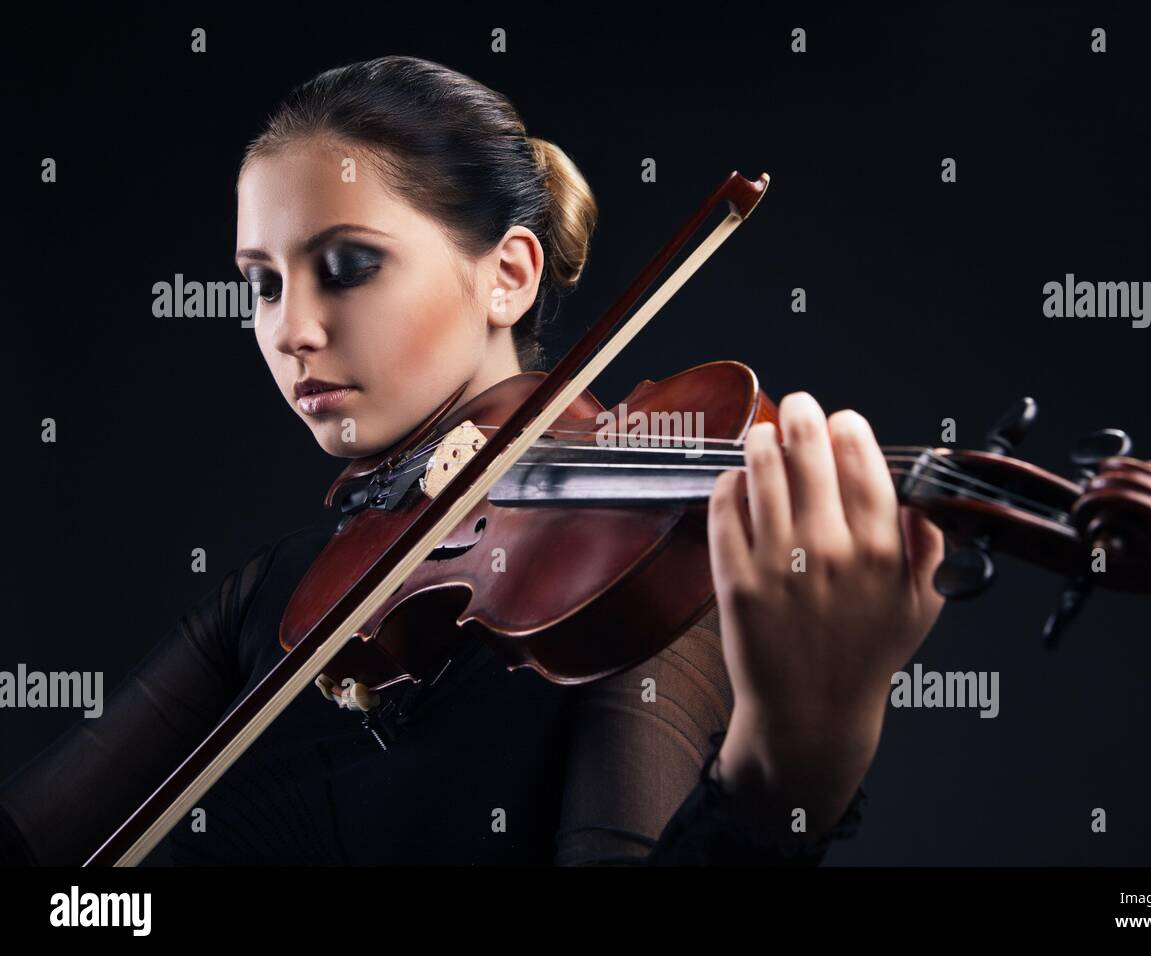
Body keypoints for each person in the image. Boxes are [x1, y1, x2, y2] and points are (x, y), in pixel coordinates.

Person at [0, 55, 946, 866]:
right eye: (262, 284)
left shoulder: (608, 587)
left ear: (509, 275)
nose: (290, 329)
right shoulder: (284, 598)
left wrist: (789, 771)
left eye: (347, 266)